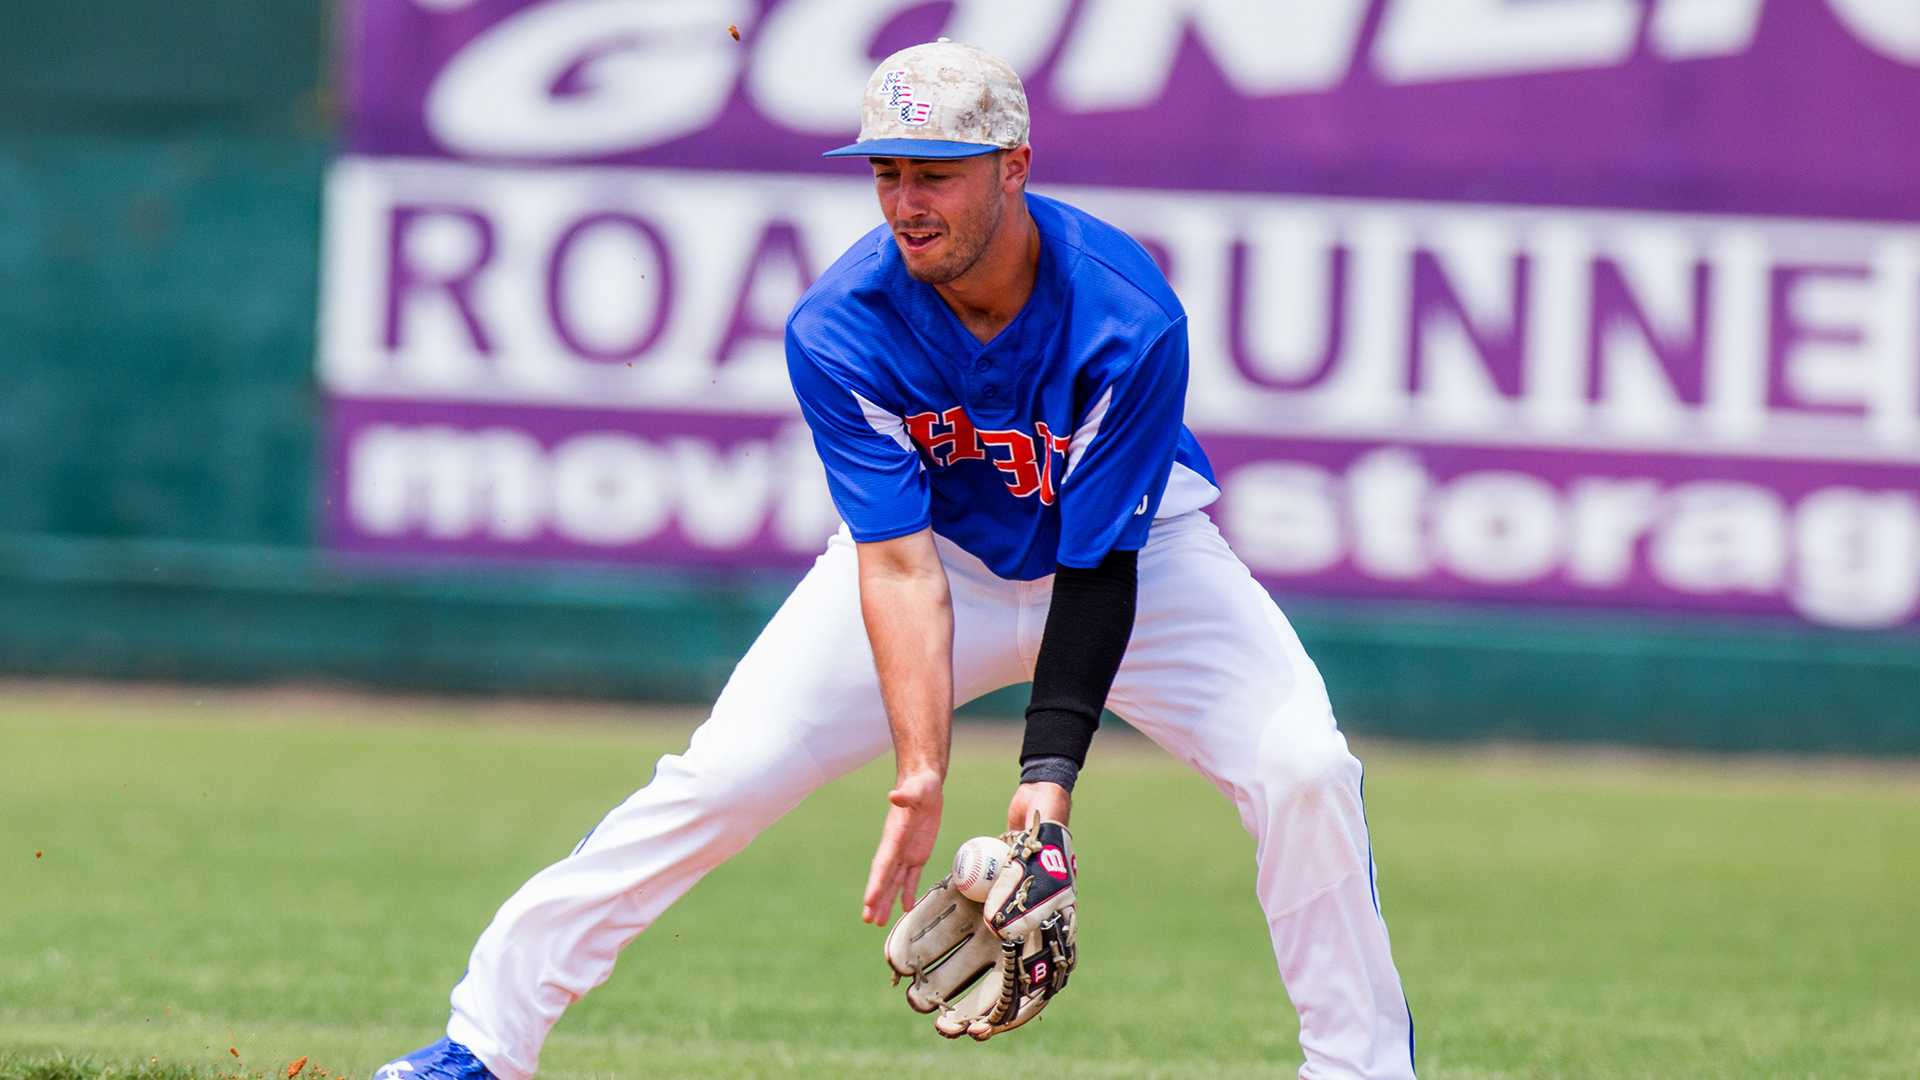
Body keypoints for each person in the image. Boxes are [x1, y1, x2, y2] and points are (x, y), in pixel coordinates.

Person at [372, 39, 1416, 1080]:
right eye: (887, 173)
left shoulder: (1126, 313)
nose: (908, 202)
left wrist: (1045, 792)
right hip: (938, 562)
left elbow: (1098, 568)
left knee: (1305, 769)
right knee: (721, 778)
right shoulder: (841, 325)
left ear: (1014, 164)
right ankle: (484, 1046)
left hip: (1143, 563)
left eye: (937, 174)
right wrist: (922, 774)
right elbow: (899, 564)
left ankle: (1359, 1069)